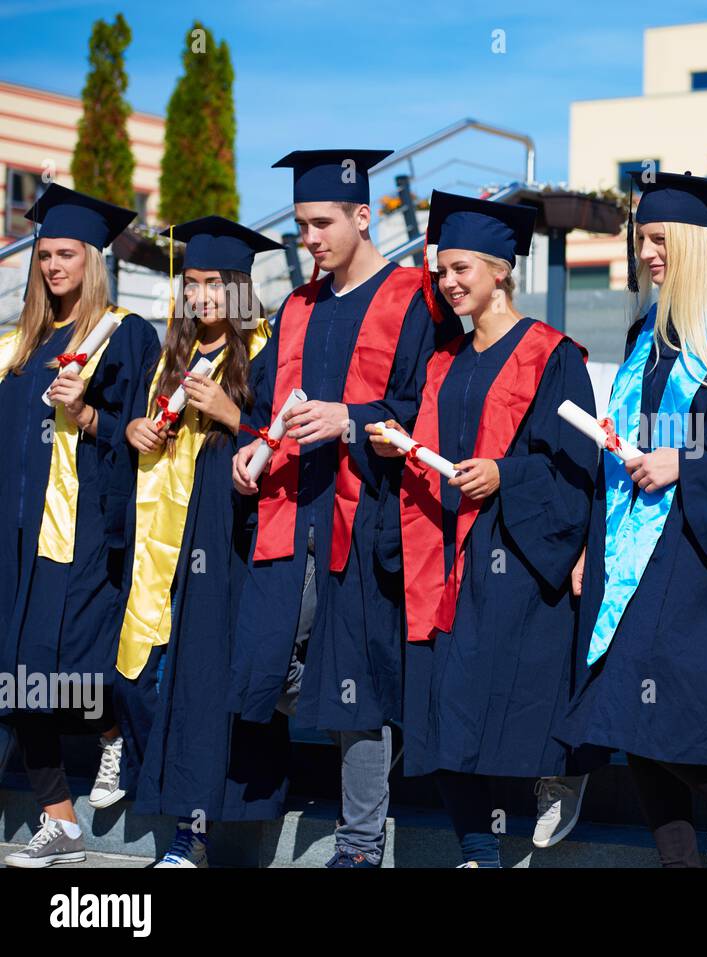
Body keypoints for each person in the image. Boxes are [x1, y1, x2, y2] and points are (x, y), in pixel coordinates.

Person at [559, 171, 707, 868]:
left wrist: (683, 463)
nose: (647, 253)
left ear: (694, 242)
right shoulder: (645, 333)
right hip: (634, 552)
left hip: (703, 558)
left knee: (680, 717)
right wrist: (589, 543)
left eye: (659, 239)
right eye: (642, 240)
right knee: (629, 717)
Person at [227, 149, 452, 868]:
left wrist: (351, 420)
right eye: (300, 226)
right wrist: (246, 442)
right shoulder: (297, 306)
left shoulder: (416, 297)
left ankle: (359, 844)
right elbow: (270, 404)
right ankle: (395, 731)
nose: (310, 239)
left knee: (352, 686)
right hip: (292, 515)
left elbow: (426, 408)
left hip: (374, 519)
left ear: (363, 216)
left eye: (322, 222)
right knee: (269, 663)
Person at [372, 190, 599, 867]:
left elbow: (576, 461)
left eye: (462, 268)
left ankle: (564, 773)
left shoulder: (551, 355)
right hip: (442, 551)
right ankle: (476, 848)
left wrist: (507, 474)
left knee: (518, 693)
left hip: (521, 550)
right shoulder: (443, 360)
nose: (448, 282)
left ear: (502, 269)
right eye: (442, 270)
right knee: (441, 702)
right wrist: (400, 442)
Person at [114, 216, 288, 868]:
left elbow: (278, 443)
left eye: (216, 284)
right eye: (193, 284)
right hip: (165, 545)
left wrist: (231, 414)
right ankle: (181, 817)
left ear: (241, 288)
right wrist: (134, 430)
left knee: (215, 689)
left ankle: (198, 835)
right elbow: (143, 438)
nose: (203, 296)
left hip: (231, 550)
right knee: (146, 680)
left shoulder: (268, 352)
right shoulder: (170, 356)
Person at [1, 184, 160, 867]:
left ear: (94, 258)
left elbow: (146, 442)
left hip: (83, 530)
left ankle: (110, 734)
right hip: (16, 537)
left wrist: (89, 414)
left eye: (67, 254)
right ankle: (59, 818)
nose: (52, 266)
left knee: (81, 670)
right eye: (45, 253)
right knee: (15, 680)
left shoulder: (123, 333)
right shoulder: (18, 342)